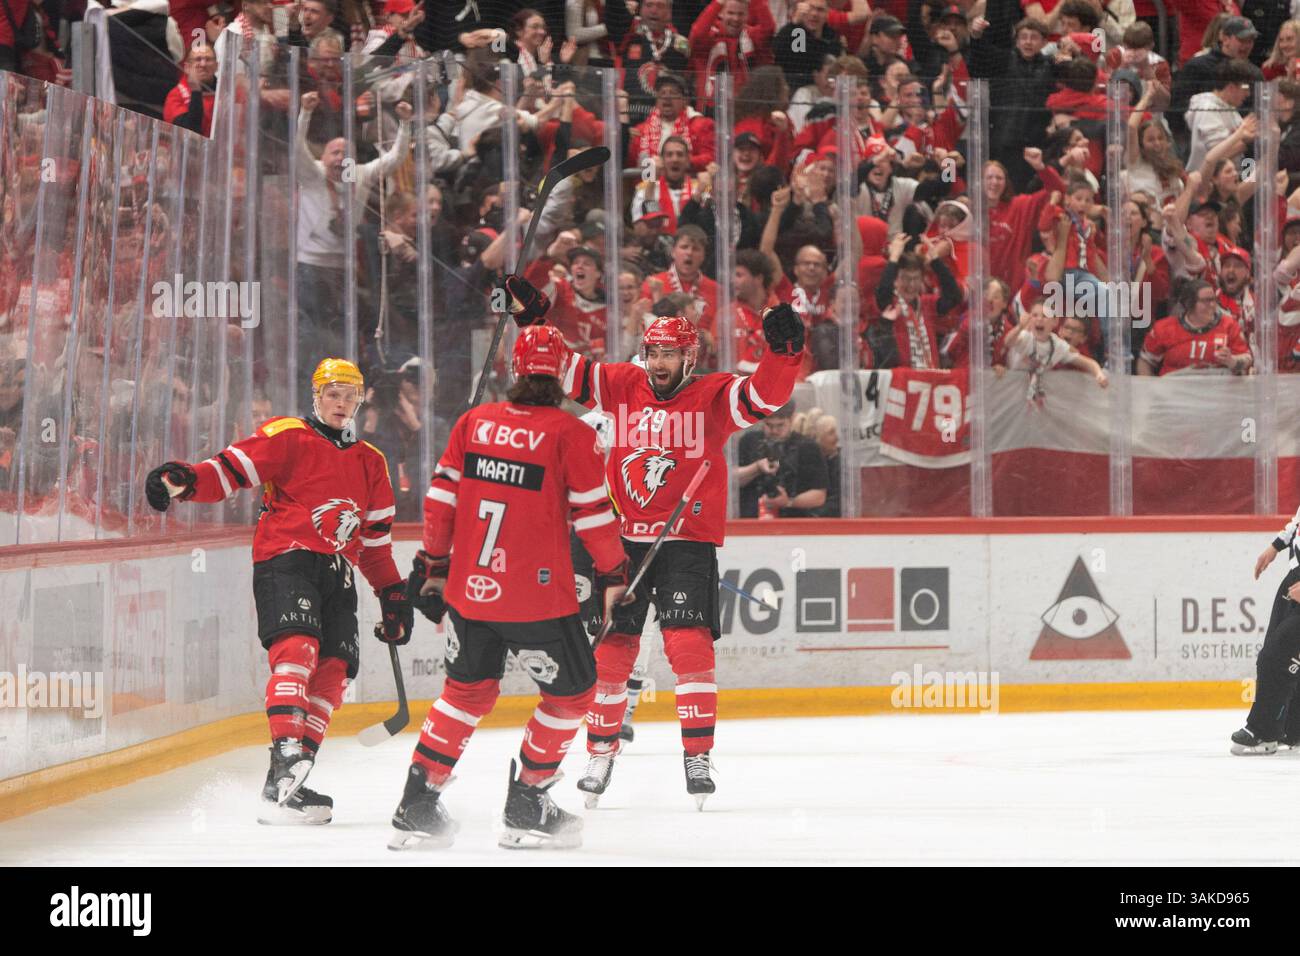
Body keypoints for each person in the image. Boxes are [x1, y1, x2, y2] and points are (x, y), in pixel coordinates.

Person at [143, 359, 413, 825]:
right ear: (317, 396)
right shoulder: (288, 434)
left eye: (350, 395)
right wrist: (185, 480)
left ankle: (286, 783)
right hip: (286, 558)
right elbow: (227, 471)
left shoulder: (372, 461)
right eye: (333, 393)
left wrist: (392, 594)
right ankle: (287, 753)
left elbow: (374, 544)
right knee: (297, 651)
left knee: (334, 671)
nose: (342, 402)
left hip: (339, 571)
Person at [391, 325, 629, 850]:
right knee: (573, 695)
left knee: (465, 693)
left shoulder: (474, 421)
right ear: (562, 373)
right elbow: (593, 518)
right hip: (537, 598)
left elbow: (438, 504)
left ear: (514, 370)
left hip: (470, 593)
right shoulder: (572, 433)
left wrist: (432, 565)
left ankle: (416, 804)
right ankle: (527, 801)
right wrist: (614, 575)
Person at [1232, 510, 1300, 755]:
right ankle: (1292, 730)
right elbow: (1297, 523)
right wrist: (1274, 547)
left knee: (1275, 658)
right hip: (1294, 578)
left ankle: (1264, 732)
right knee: (1286, 657)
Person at [736, 402, 829, 518]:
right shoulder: (749, 442)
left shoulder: (807, 447)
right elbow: (731, 481)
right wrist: (756, 468)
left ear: (791, 419)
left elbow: (819, 496)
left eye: (780, 425)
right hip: (749, 521)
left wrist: (789, 502)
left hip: (794, 523)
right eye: (769, 425)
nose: (774, 431)